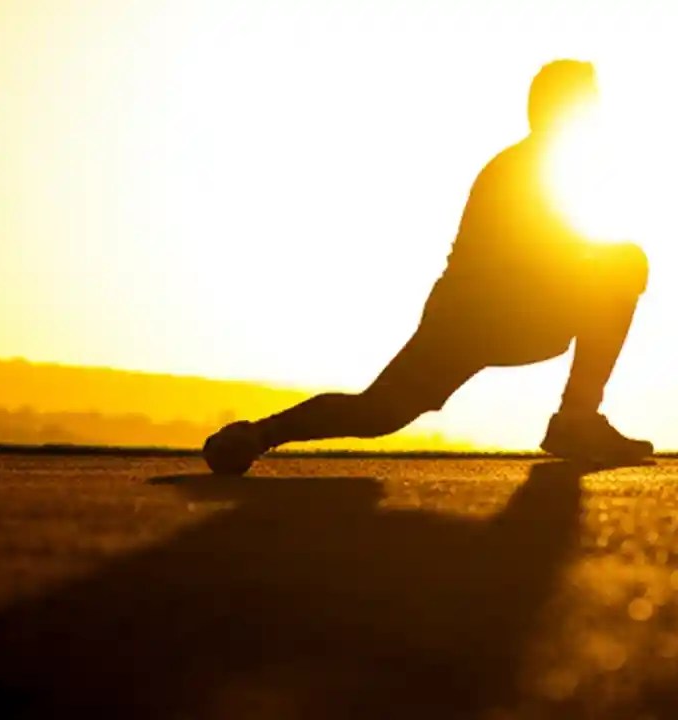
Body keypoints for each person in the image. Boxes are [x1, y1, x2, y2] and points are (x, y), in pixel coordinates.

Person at [203, 59, 653, 474]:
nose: (596, 111)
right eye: (588, 102)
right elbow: (544, 255)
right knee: (379, 413)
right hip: (477, 316)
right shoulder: (529, 170)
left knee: (377, 411)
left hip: (484, 316)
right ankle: (576, 418)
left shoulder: (556, 167)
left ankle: (258, 434)